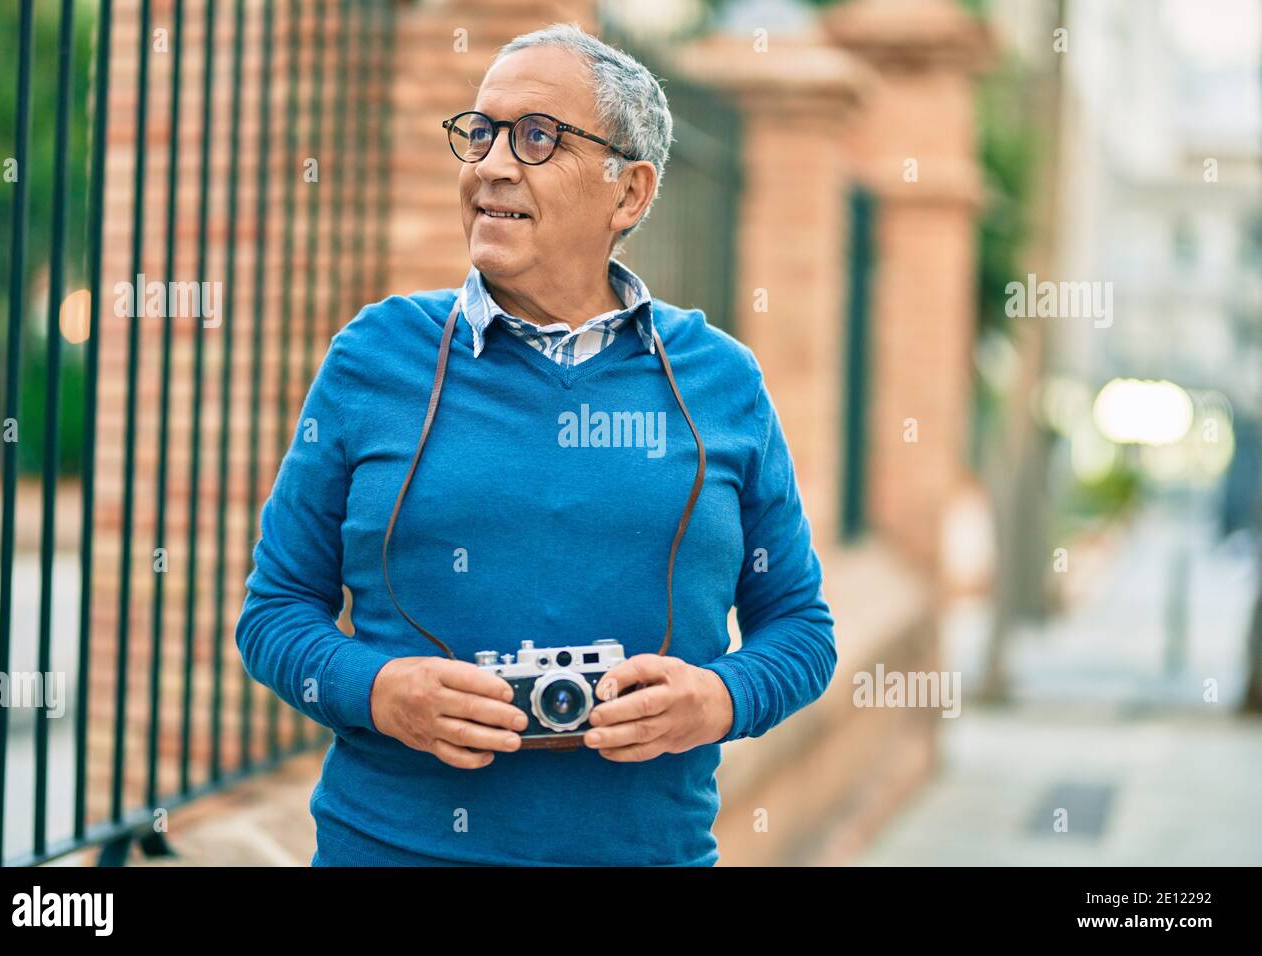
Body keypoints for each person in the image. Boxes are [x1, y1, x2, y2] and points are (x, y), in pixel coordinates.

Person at [235, 21, 837, 866]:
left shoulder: (721, 381)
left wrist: (720, 697)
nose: (490, 165)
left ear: (627, 194)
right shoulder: (376, 356)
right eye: (479, 133)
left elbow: (802, 630)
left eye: (537, 137)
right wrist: (376, 689)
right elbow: (273, 613)